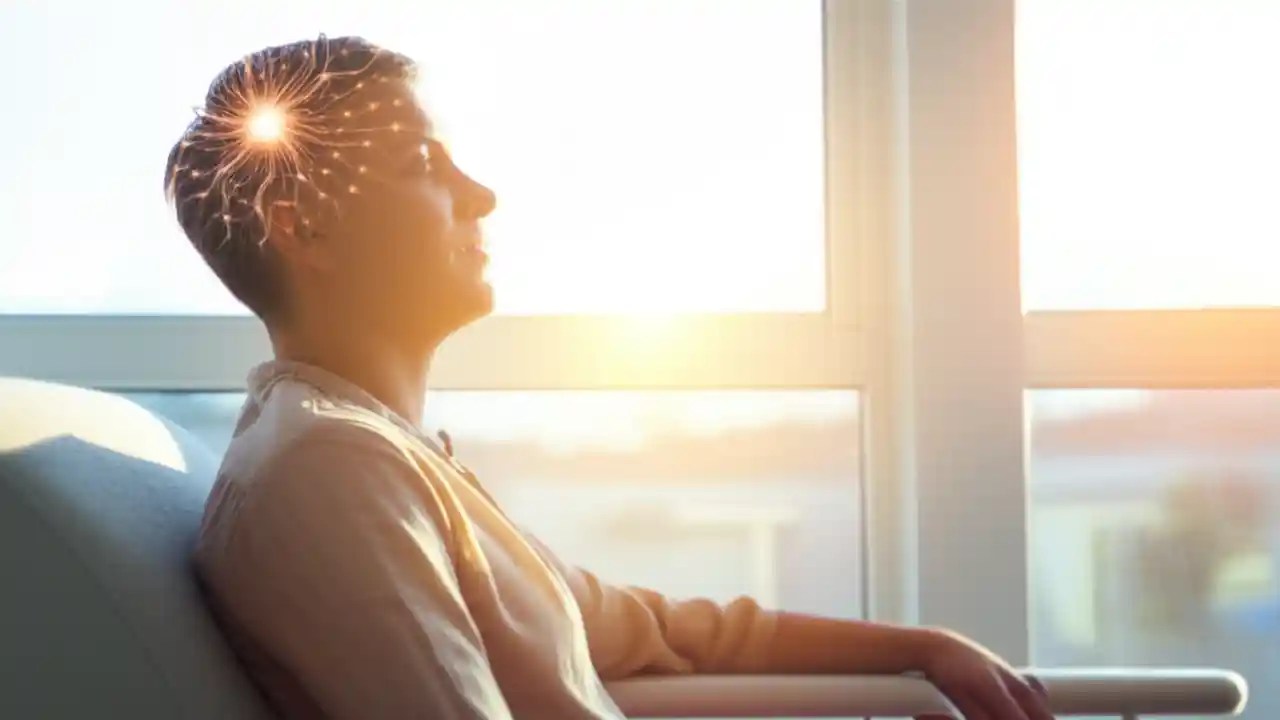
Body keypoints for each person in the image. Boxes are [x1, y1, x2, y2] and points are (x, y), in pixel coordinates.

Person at [167, 35, 1053, 720]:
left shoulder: (383, 457)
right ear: (302, 231)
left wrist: (923, 645)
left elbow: (659, 630)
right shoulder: (330, 471)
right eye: (426, 168)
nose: (482, 196)